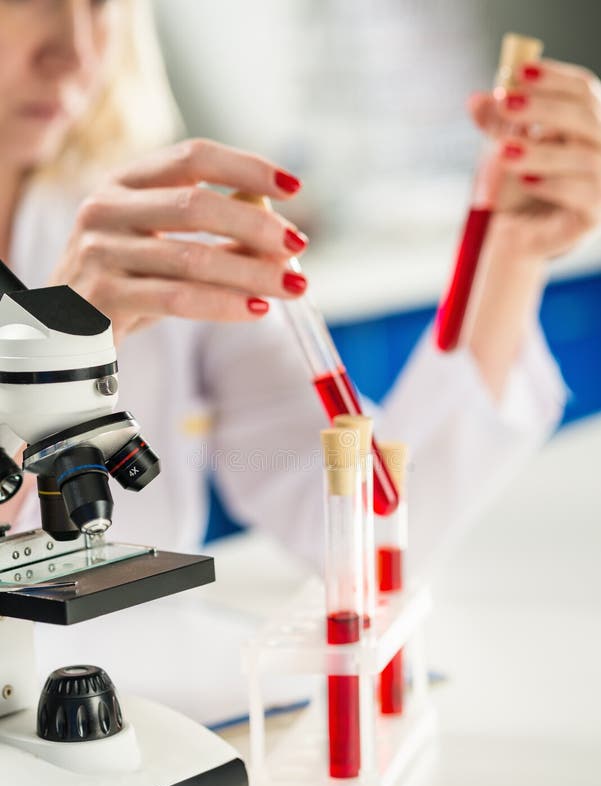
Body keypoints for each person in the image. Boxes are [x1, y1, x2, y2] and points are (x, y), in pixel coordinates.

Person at [1, 0, 598, 721]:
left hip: (151, 729)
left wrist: (511, 253)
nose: (75, 51)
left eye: (100, 4)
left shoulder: (136, 241)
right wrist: (54, 360)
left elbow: (365, 529)